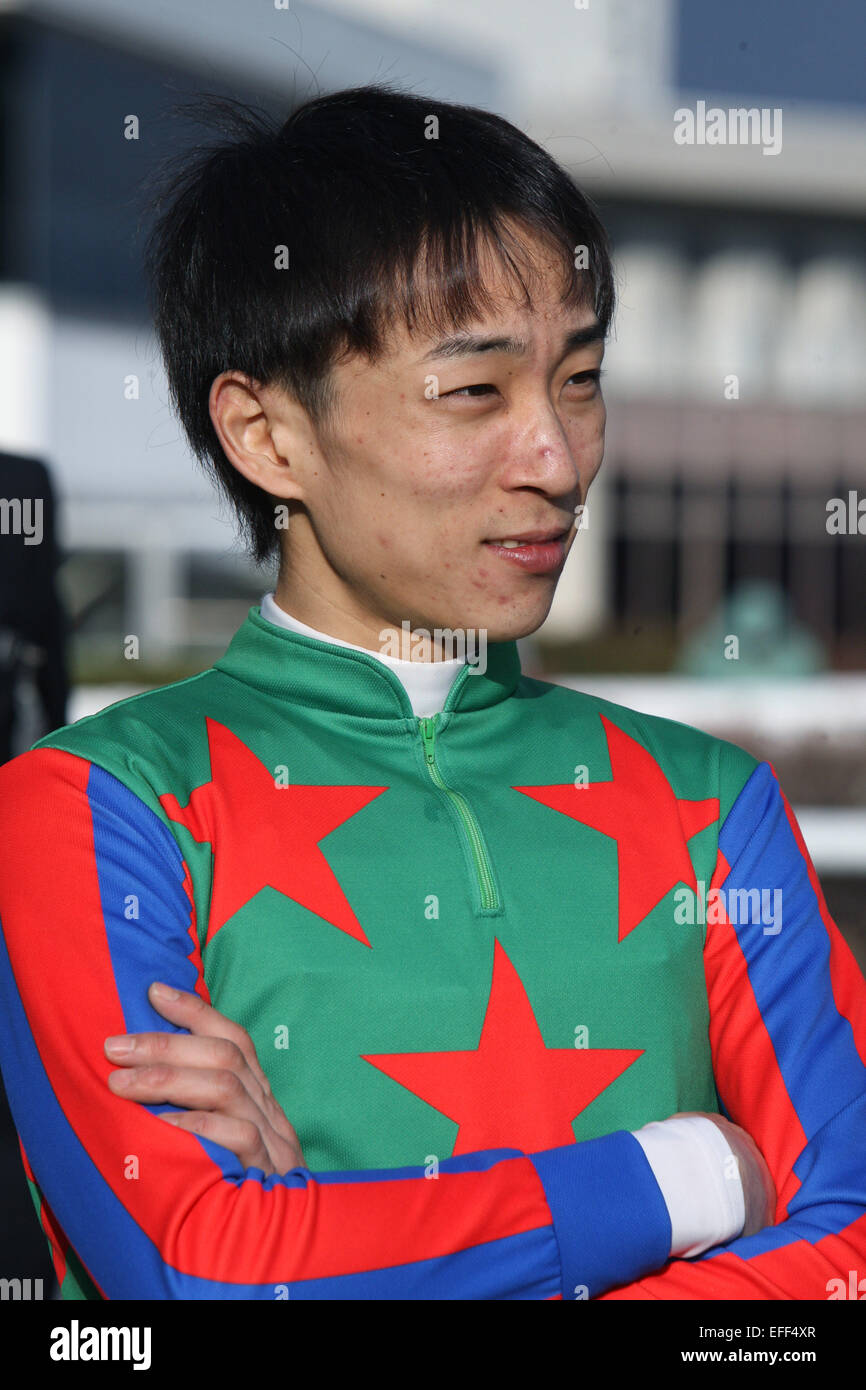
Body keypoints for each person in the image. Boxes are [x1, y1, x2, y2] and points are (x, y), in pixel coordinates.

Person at [0, 84, 863, 1301]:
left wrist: (321, 1234)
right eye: (476, 392)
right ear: (264, 434)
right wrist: (691, 1177)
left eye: (579, 378)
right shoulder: (92, 806)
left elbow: (851, 1255)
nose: (558, 460)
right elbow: (196, 1271)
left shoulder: (710, 806)